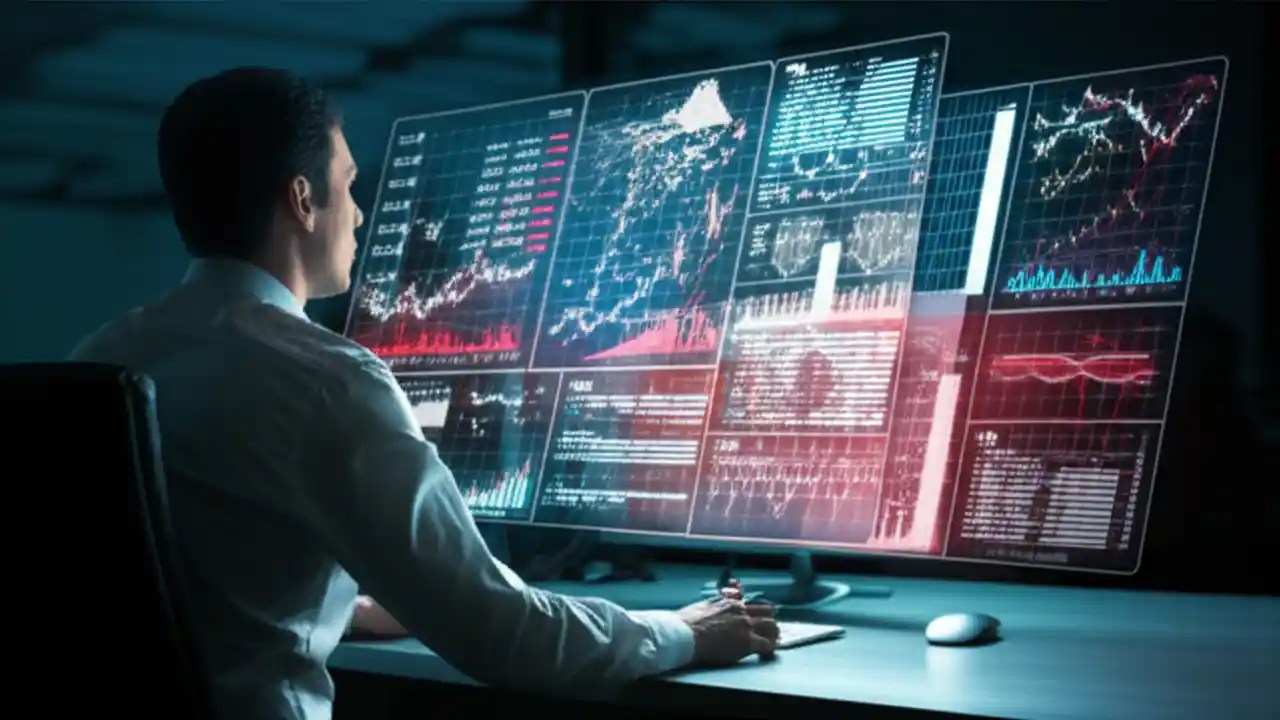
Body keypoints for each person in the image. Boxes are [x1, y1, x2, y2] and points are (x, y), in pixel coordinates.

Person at [68, 67, 778, 719]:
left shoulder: (101, 357)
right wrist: (683, 633)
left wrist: (353, 608)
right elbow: (508, 638)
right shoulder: (328, 383)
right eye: (349, 186)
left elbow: (194, 582)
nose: (359, 215)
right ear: (303, 200)